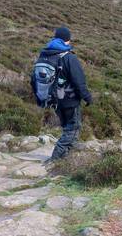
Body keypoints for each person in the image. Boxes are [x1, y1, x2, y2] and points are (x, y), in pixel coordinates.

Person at [34, 26, 93, 162]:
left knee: (67, 128)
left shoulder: (45, 54)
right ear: (67, 40)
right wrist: (87, 97)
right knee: (72, 129)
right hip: (70, 100)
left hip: (55, 101)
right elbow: (79, 81)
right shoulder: (68, 57)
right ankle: (54, 160)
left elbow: (34, 78)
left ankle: (66, 159)